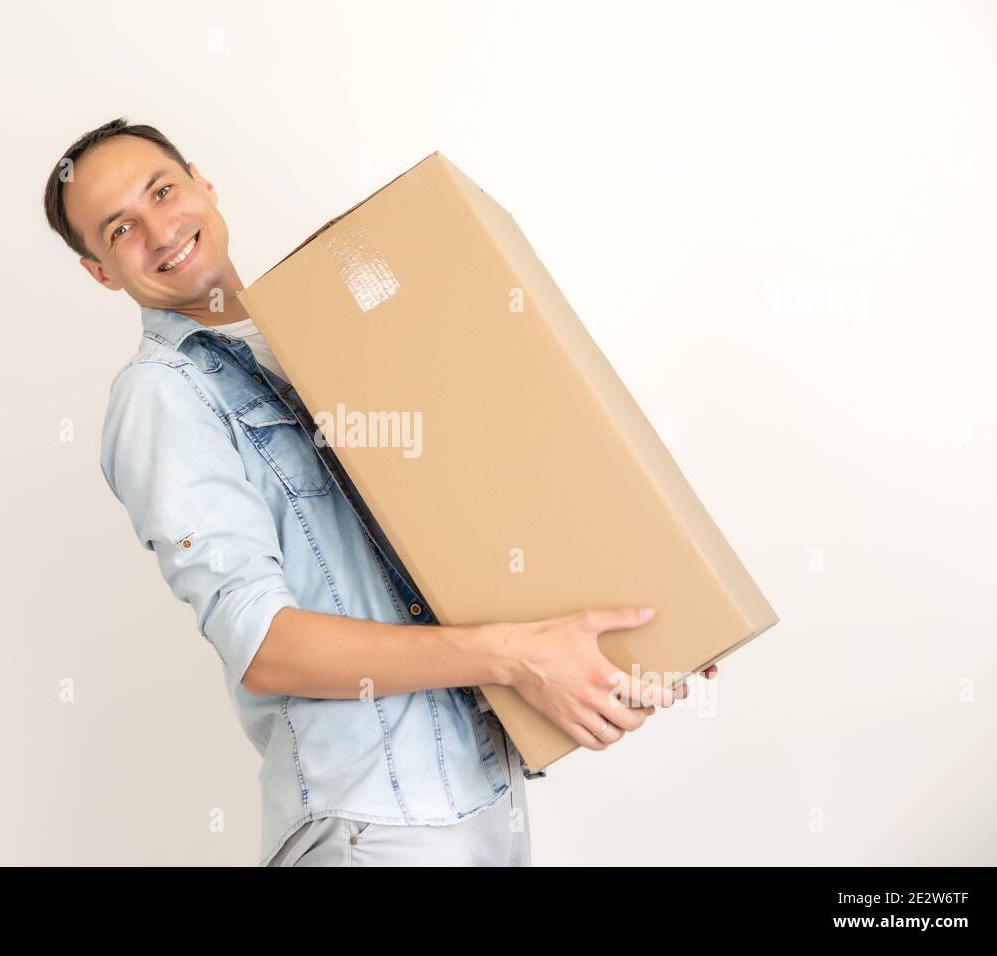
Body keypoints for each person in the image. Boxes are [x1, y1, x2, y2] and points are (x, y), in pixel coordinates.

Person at [41, 118, 718, 866]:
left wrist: (635, 637)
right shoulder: (161, 394)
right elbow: (264, 645)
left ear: (203, 182)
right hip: (370, 824)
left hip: (485, 791)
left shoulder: (326, 338)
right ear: (101, 272)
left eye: (162, 191)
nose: (160, 230)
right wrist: (516, 656)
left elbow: (473, 518)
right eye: (120, 229)